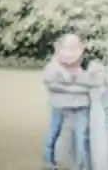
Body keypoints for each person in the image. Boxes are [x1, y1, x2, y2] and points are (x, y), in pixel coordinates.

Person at [45, 34, 91, 170]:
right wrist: (77, 88)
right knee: (53, 132)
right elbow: (52, 85)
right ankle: (48, 162)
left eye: (75, 47)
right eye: (68, 47)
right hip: (59, 105)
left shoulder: (82, 66)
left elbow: (92, 83)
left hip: (81, 105)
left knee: (81, 136)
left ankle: (82, 165)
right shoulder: (53, 67)